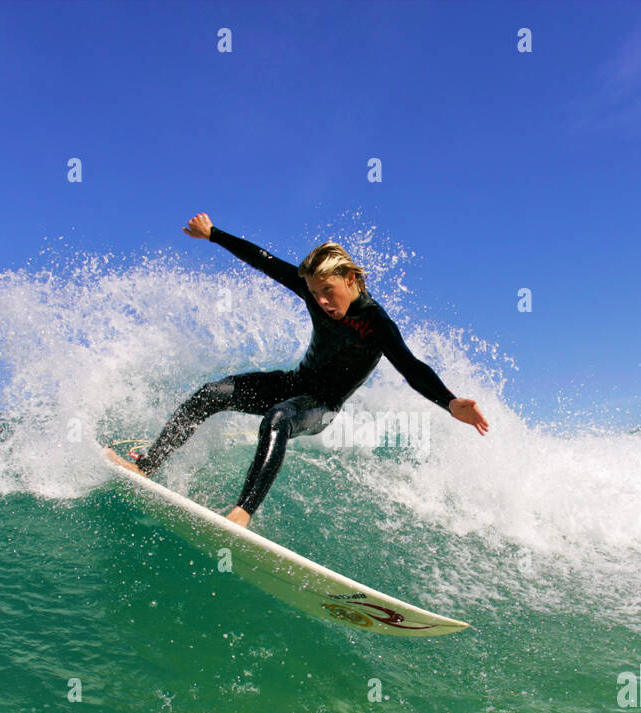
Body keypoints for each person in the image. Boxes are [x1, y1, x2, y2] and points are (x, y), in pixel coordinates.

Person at [108, 213, 489, 528]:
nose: (321, 300)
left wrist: (450, 403)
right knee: (211, 394)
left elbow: (412, 367)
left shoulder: (376, 324)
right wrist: (212, 235)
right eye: (314, 292)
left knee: (277, 419)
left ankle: (242, 514)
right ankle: (148, 466)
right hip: (293, 383)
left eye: (328, 290)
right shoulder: (312, 292)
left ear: (350, 279)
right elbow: (264, 260)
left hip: (321, 405)